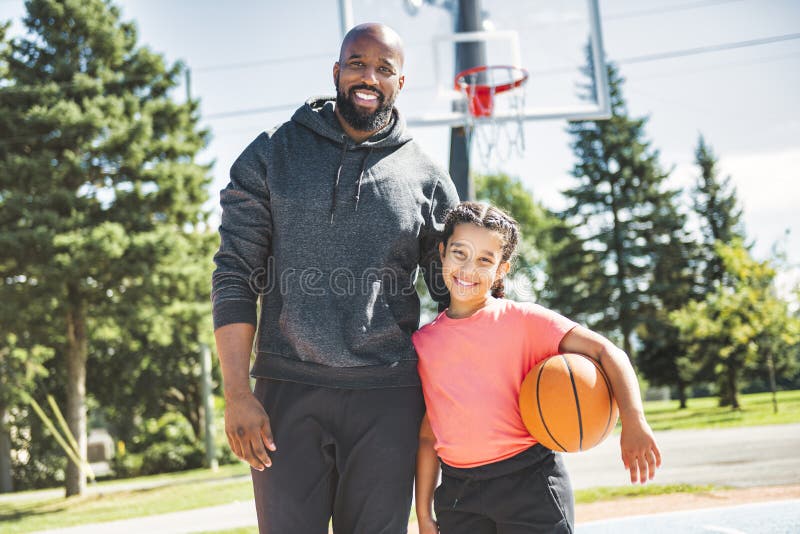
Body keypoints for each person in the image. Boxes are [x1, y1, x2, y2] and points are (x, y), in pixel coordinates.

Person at [211, 23, 458, 533]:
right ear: (336, 72)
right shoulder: (271, 154)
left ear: (400, 82)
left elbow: (458, 295)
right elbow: (234, 275)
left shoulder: (426, 176)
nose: (369, 77)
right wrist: (237, 393)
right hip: (287, 390)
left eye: (384, 69)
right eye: (357, 64)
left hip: (388, 396)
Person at [413, 201, 662, 534]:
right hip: (459, 494)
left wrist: (634, 420)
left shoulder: (525, 321)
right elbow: (429, 435)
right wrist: (424, 511)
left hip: (530, 484)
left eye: (485, 260)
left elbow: (607, 351)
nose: (469, 269)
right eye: (460, 253)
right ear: (442, 252)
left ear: (502, 269)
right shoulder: (424, 343)